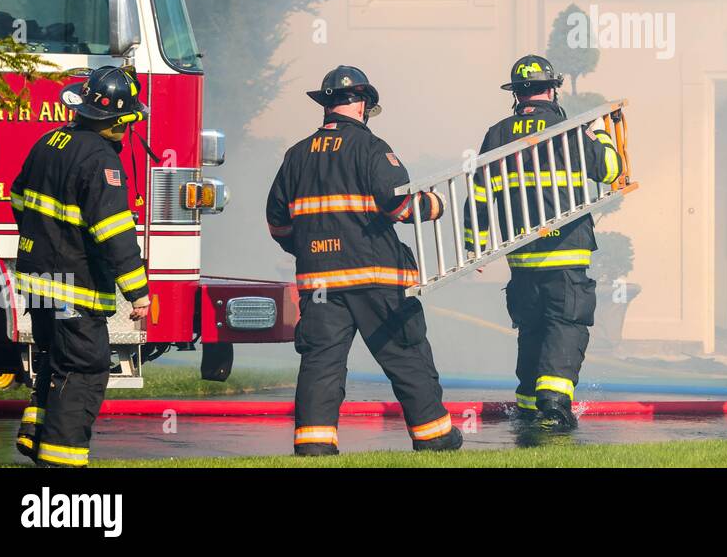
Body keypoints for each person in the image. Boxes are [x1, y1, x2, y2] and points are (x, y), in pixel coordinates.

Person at [266, 65, 459, 455]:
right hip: (373, 278)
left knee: (322, 363)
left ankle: (314, 448)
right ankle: (434, 438)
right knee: (405, 355)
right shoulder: (372, 149)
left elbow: (277, 223)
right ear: (362, 104)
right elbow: (399, 204)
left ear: (327, 105)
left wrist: (309, 250)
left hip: (320, 284)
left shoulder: (296, 155)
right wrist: (435, 205)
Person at [464, 54, 621, 430]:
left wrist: (476, 245)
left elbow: (480, 193)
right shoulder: (568, 129)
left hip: (521, 258)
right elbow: (610, 169)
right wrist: (598, 132)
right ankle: (553, 402)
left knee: (532, 327)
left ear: (517, 94)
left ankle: (528, 405)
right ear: (552, 89)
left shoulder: (497, 134)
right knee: (565, 323)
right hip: (565, 250)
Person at [12, 66, 151, 467]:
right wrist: (138, 292)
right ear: (118, 122)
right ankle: (61, 460)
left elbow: (19, 199)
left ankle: (35, 432)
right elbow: (115, 234)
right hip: (74, 289)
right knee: (85, 368)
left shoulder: (49, 141)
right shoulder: (100, 160)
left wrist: (44, 244)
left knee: (56, 359)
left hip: (38, 282)